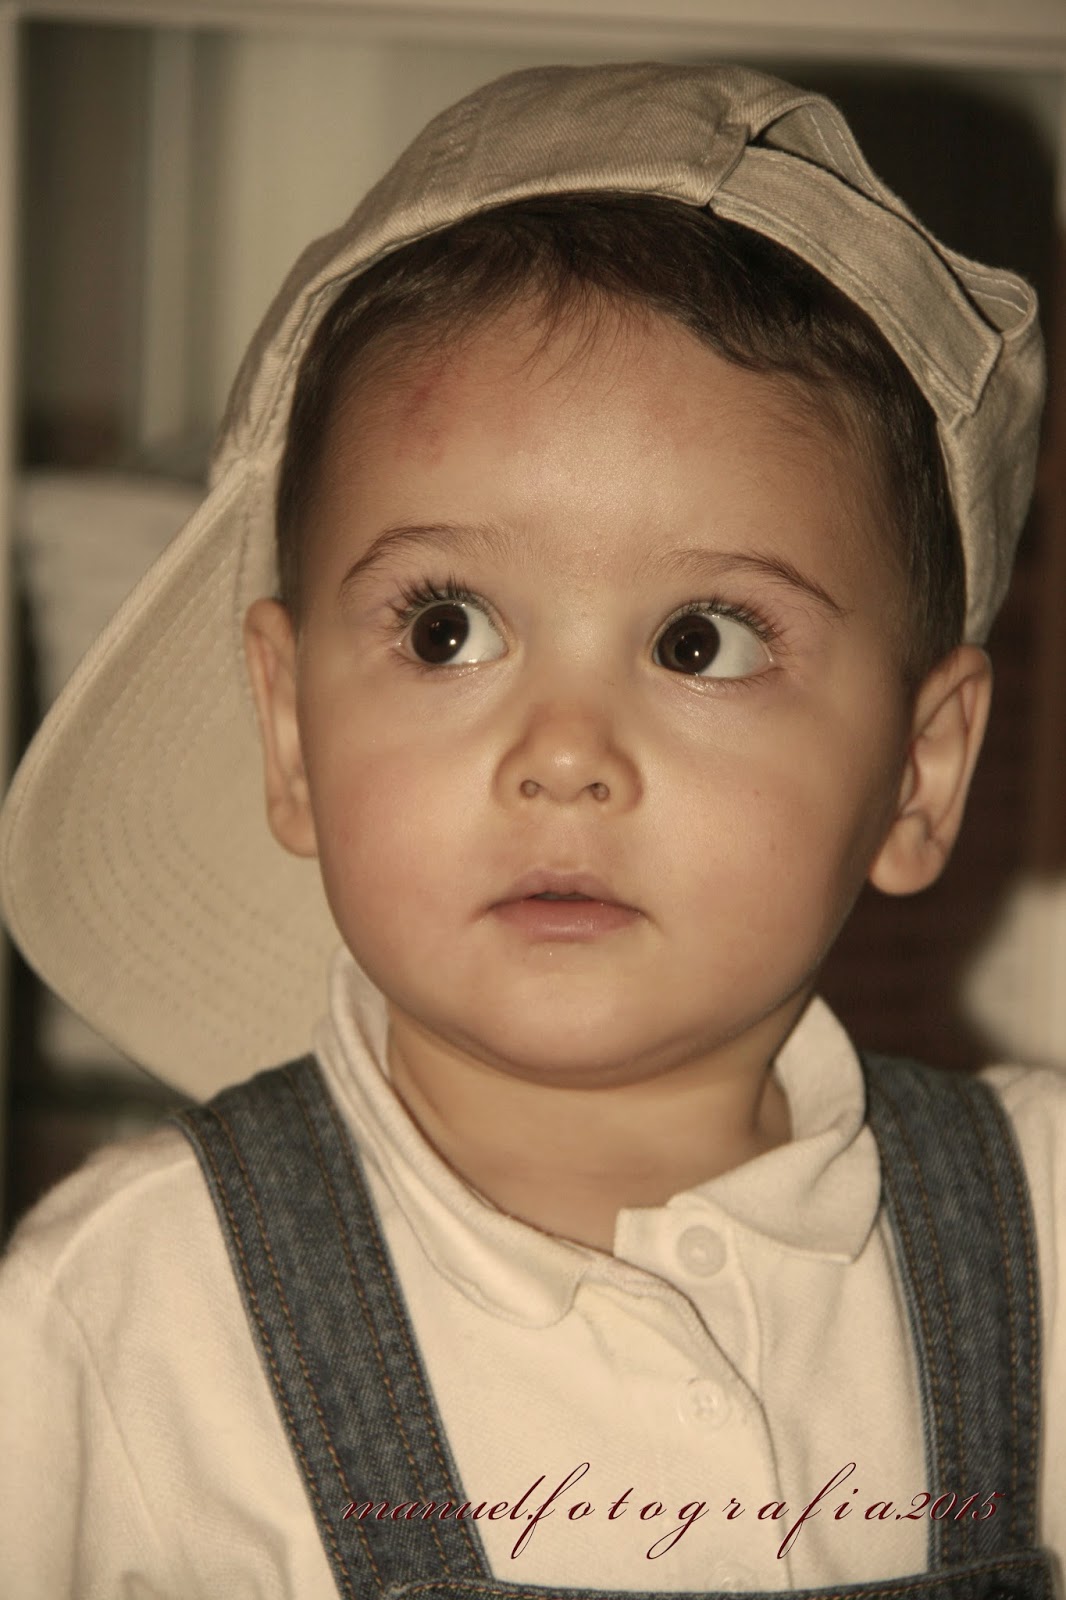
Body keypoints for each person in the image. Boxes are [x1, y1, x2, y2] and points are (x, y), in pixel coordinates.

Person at [0, 60, 1061, 1600]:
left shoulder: (1034, 1239)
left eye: (703, 640)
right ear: (289, 732)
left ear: (919, 770)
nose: (563, 757)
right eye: (447, 629)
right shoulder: (126, 1322)